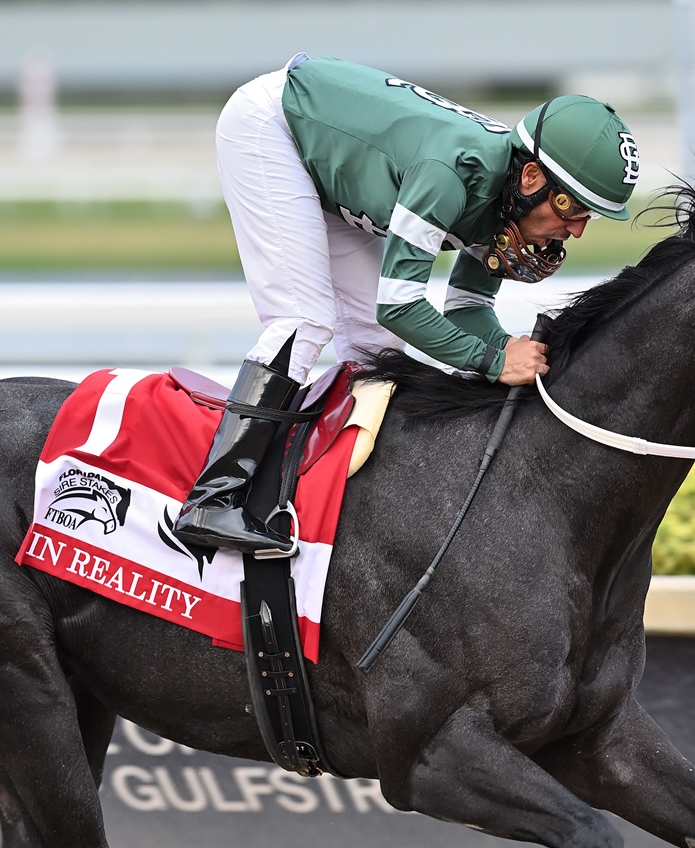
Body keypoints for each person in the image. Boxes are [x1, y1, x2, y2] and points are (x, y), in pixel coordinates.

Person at [172, 53, 641, 554]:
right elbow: (399, 304)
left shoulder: (504, 196)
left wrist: (506, 349)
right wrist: (494, 361)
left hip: (330, 160)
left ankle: (354, 497)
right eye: (570, 207)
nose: (576, 229)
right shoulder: (450, 177)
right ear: (530, 179)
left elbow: (465, 306)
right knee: (303, 321)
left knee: (376, 346)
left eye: (588, 215)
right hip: (274, 128)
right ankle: (213, 499)